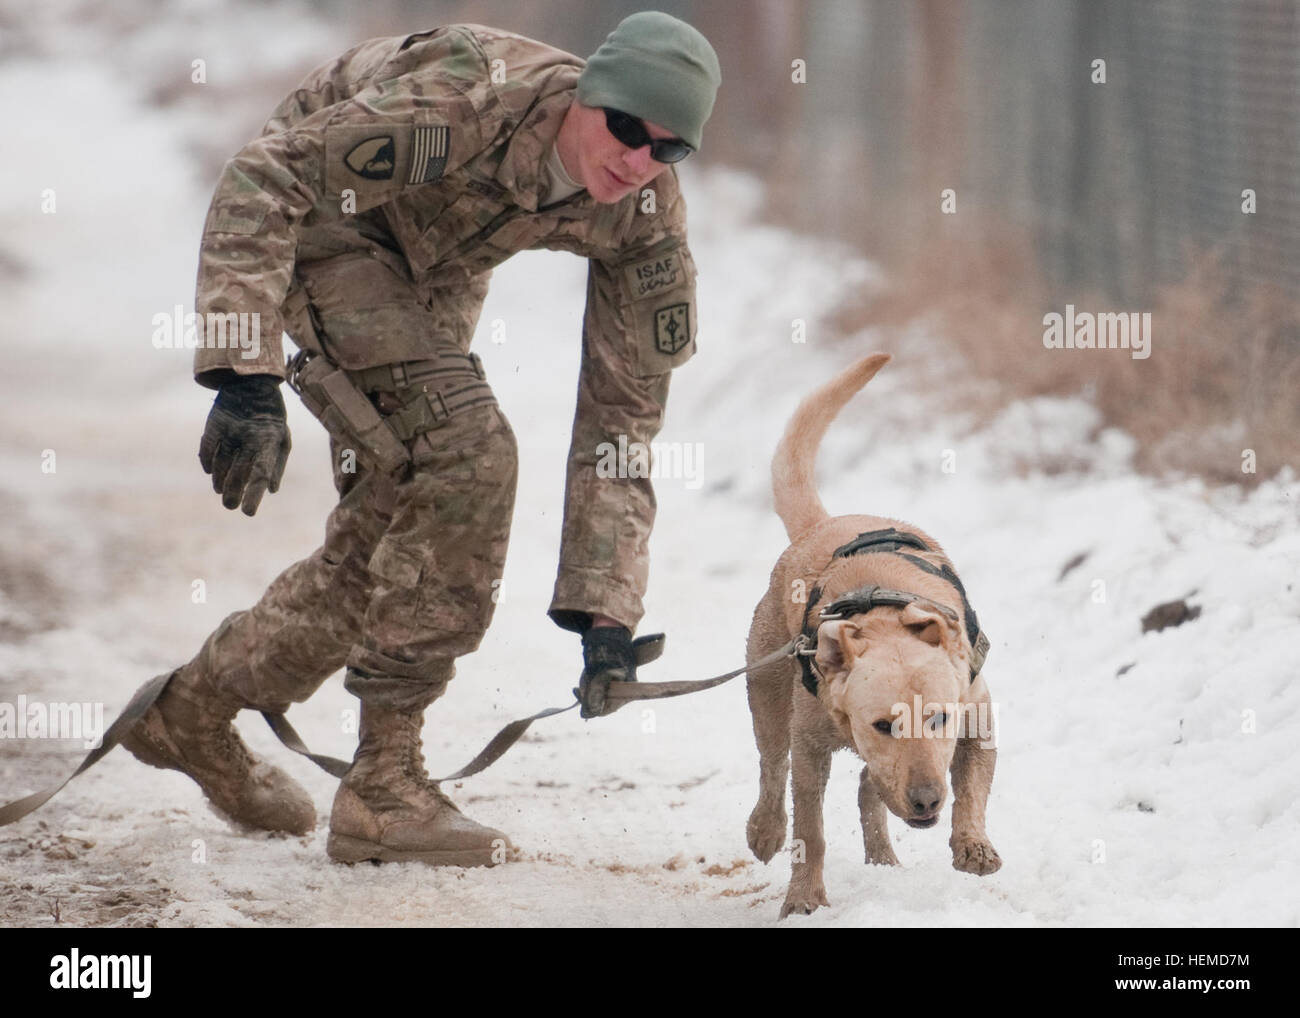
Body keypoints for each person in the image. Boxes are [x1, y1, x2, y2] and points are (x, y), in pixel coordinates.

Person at [120, 12, 721, 867]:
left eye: (668, 150)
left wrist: (606, 609)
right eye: (627, 128)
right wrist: (243, 371)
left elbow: (623, 416)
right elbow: (267, 175)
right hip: (318, 223)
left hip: (429, 268)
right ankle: (384, 787)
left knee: (394, 533)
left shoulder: (644, 216)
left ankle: (190, 711)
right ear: (588, 98)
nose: (636, 161)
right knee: (471, 453)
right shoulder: (469, 98)